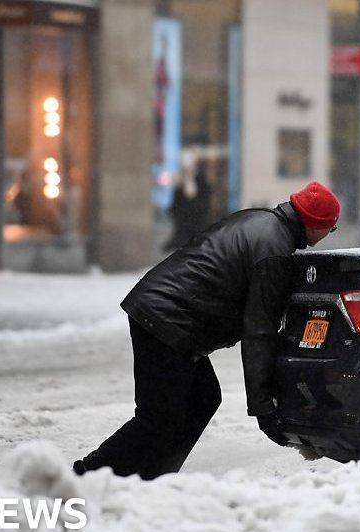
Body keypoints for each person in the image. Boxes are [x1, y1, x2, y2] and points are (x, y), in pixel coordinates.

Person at [74, 181, 340, 478]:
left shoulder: (259, 220)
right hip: (167, 318)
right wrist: (263, 409)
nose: (327, 236)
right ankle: (88, 474)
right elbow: (259, 332)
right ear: (317, 226)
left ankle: (156, 476)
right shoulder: (274, 251)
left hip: (166, 312)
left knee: (203, 399)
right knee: (159, 417)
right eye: (330, 229)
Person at [163, 160, 213, 251]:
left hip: (197, 227)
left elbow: (201, 204)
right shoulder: (180, 185)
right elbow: (175, 206)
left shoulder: (201, 182)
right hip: (183, 228)